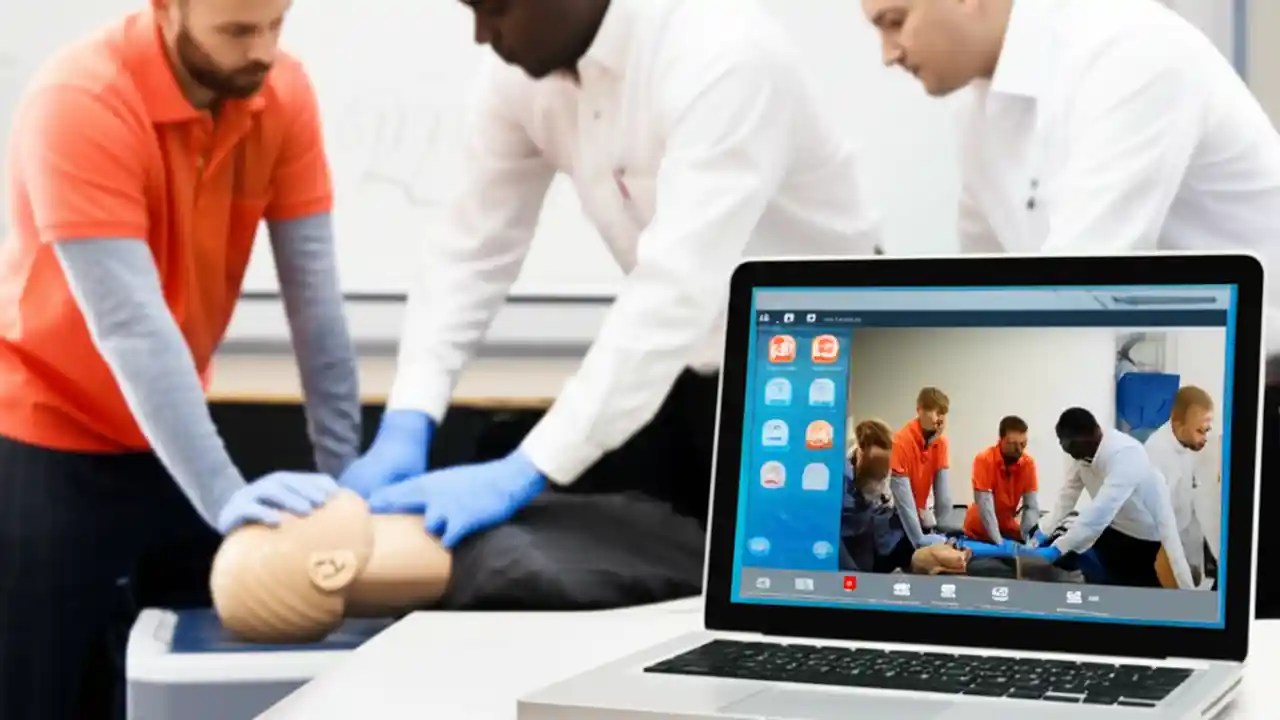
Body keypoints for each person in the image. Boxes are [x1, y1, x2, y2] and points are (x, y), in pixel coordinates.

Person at [340, 0, 881, 547]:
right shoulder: (519, 77)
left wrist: (528, 468)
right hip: (688, 374)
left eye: (498, 10)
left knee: (771, 581)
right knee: (525, 526)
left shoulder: (724, 55)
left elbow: (676, 289)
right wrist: (409, 417)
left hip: (824, 381)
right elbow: (471, 251)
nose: (483, 35)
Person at [0, 1, 358, 717]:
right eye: (236, 31)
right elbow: (132, 326)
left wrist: (346, 477)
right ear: (169, 11)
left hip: (170, 429)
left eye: (275, 26)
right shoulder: (80, 101)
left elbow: (314, 299)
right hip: (47, 430)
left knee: (211, 676)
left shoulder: (280, 91)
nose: (262, 51)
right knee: (40, 691)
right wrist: (224, 495)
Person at [859, 0, 1280, 339]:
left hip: (1258, 385)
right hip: (1149, 365)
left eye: (895, 22)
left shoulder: (1129, 49)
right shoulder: (973, 107)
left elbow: (1081, 291)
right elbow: (987, 290)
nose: (886, 54)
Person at [1032, 408, 1195, 590]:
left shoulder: (1126, 454)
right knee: (1097, 571)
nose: (1069, 452)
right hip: (1115, 527)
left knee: (1133, 588)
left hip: (1144, 534)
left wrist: (1057, 548)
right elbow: (1067, 495)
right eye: (1064, 446)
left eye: (1071, 447)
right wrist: (1043, 531)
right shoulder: (1080, 453)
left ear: (1093, 434)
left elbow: (1101, 511)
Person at [1144, 386, 1218, 587]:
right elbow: (1163, 528)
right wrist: (1185, 585)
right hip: (1164, 545)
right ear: (1178, 425)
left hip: (1188, 534)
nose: (1205, 437)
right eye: (1200, 431)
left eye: (1207, 430)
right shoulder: (1156, 457)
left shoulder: (1191, 443)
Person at [840, 419, 914, 573]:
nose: (879, 483)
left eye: (882, 475)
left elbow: (885, 538)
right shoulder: (840, 482)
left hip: (866, 548)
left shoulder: (883, 483)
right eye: (876, 475)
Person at [962, 415, 1039, 548]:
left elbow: (1031, 506)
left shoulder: (1028, 464)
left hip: (1007, 527)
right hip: (978, 529)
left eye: (1023, 444)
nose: (1019, 450)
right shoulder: (984, 459)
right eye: (1013, 444)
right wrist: (999, 544)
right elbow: (985, 506)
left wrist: (1027, 538)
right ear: (1001, 440)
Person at [888, 387, 951, 548]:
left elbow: (944, 498)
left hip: (920, 514)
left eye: (942, 413)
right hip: (896, 517)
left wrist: (942, 531)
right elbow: (903, 500)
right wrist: (919, 539)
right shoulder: (900, 443)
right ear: (919, 411)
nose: (939, 419)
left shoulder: (940, 442)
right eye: (935, 412)